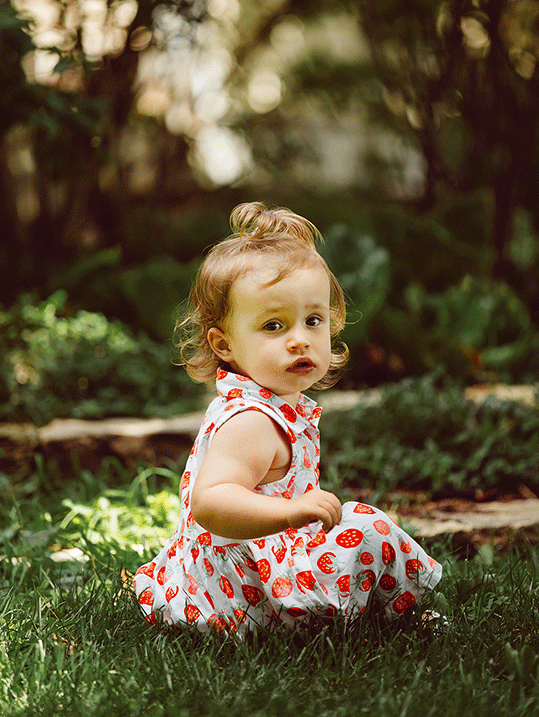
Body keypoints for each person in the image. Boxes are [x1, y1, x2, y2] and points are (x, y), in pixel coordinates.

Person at [133, 202, 442, 635]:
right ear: (224, 345)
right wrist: (290, 512)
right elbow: (210, 500)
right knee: (369, 527)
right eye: (274, 326)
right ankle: (404, 617)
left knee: (353, 526)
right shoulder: (251, 422)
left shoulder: (273, 404)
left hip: (254, 566)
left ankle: (381, 612)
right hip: (244, 591)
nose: (300, 340)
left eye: (312, 320)